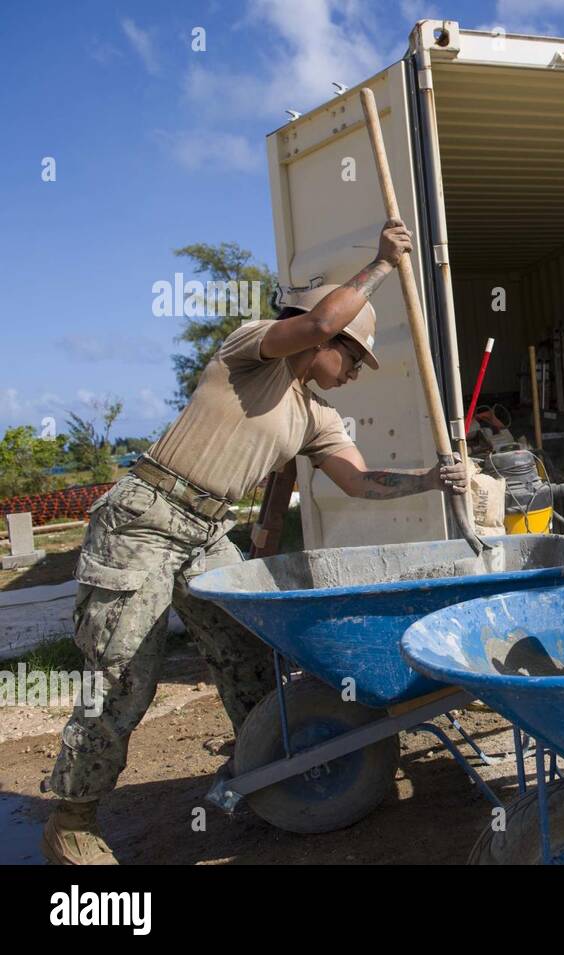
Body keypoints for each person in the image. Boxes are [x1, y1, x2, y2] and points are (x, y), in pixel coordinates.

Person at [42, 218, 468, 865]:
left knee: (252, 652)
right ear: (327, 336)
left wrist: (431, 479)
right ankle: (73, 816)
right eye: (353, 356)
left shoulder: (314, 415)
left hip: (206, 532)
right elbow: (321, 323)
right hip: (146, 517)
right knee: (126, 671)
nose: (354, 370)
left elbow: (357, 480)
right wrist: (382, 263)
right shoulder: (251, 351)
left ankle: (274, 771)